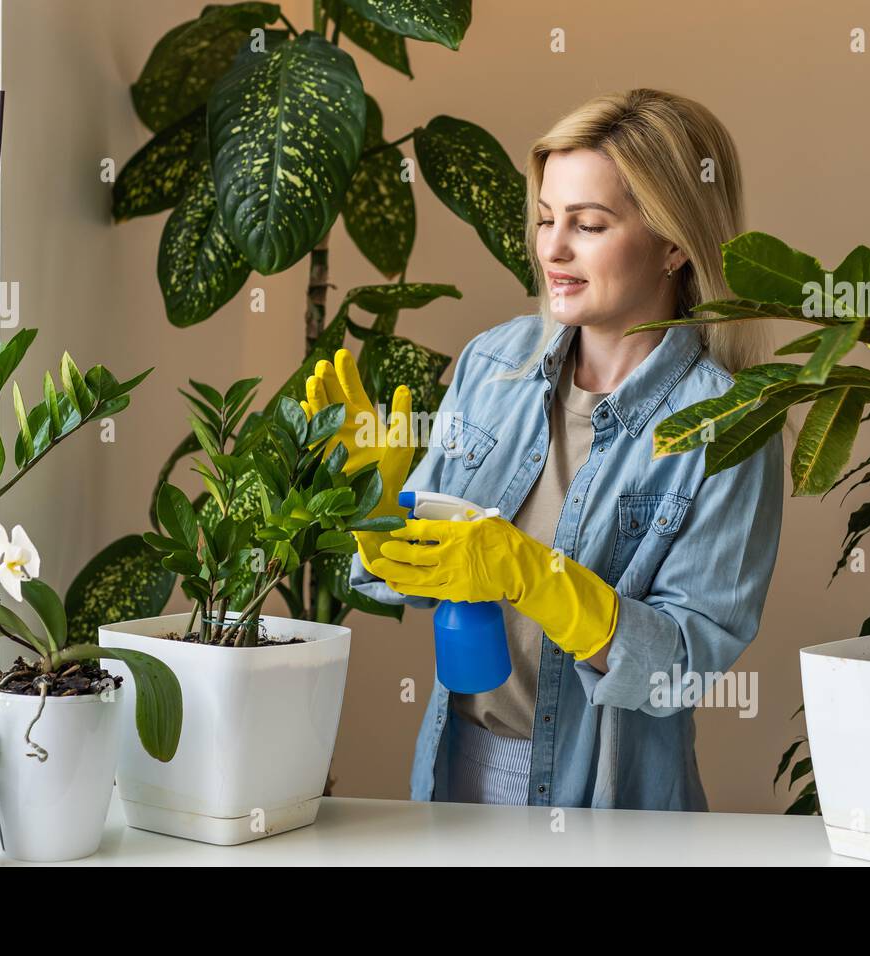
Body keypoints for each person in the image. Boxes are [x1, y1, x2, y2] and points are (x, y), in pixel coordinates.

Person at [301, 88, 784, 811]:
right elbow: (420, 574)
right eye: (545, 219)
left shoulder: (729, 424)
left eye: (588, 225)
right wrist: (371, 508)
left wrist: (541, 578)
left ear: (676, 243)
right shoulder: (493, 364)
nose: (552, 249)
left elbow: (679, 669)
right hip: (454, 765)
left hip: (608, 800)